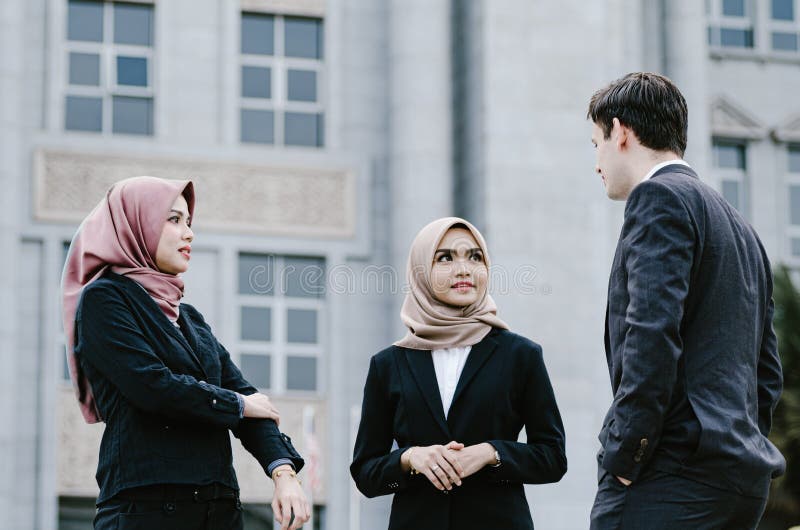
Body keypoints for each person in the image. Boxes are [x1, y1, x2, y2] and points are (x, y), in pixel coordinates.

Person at [587, 72, 786, 529]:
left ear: (620, 132)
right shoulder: (741, 228)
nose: (595, 162)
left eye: (594, 143)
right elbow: (766, 371)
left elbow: (651, 335)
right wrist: (738, 443)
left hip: (671, 475)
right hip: (738, 482)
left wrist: (624, 454)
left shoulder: (658, 198)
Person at [61, 176, 310, 530]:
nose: (189, 234)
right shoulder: (105, 299)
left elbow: (250, 399)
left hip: (218, 510)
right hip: (145, 511)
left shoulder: (189, 318)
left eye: (189, 222)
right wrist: (236, 404)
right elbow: (151, 386)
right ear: (138, 224)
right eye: (174, 220)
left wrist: (283, 473)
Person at [350, 217, 566, 530]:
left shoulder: (521, 355)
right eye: (445, 258)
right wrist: (410, 459)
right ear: (422, 271)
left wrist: (492, 453)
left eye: (475, 257)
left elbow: (552, 458)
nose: (463, 269)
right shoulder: (388, 364)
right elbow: (366, 474)